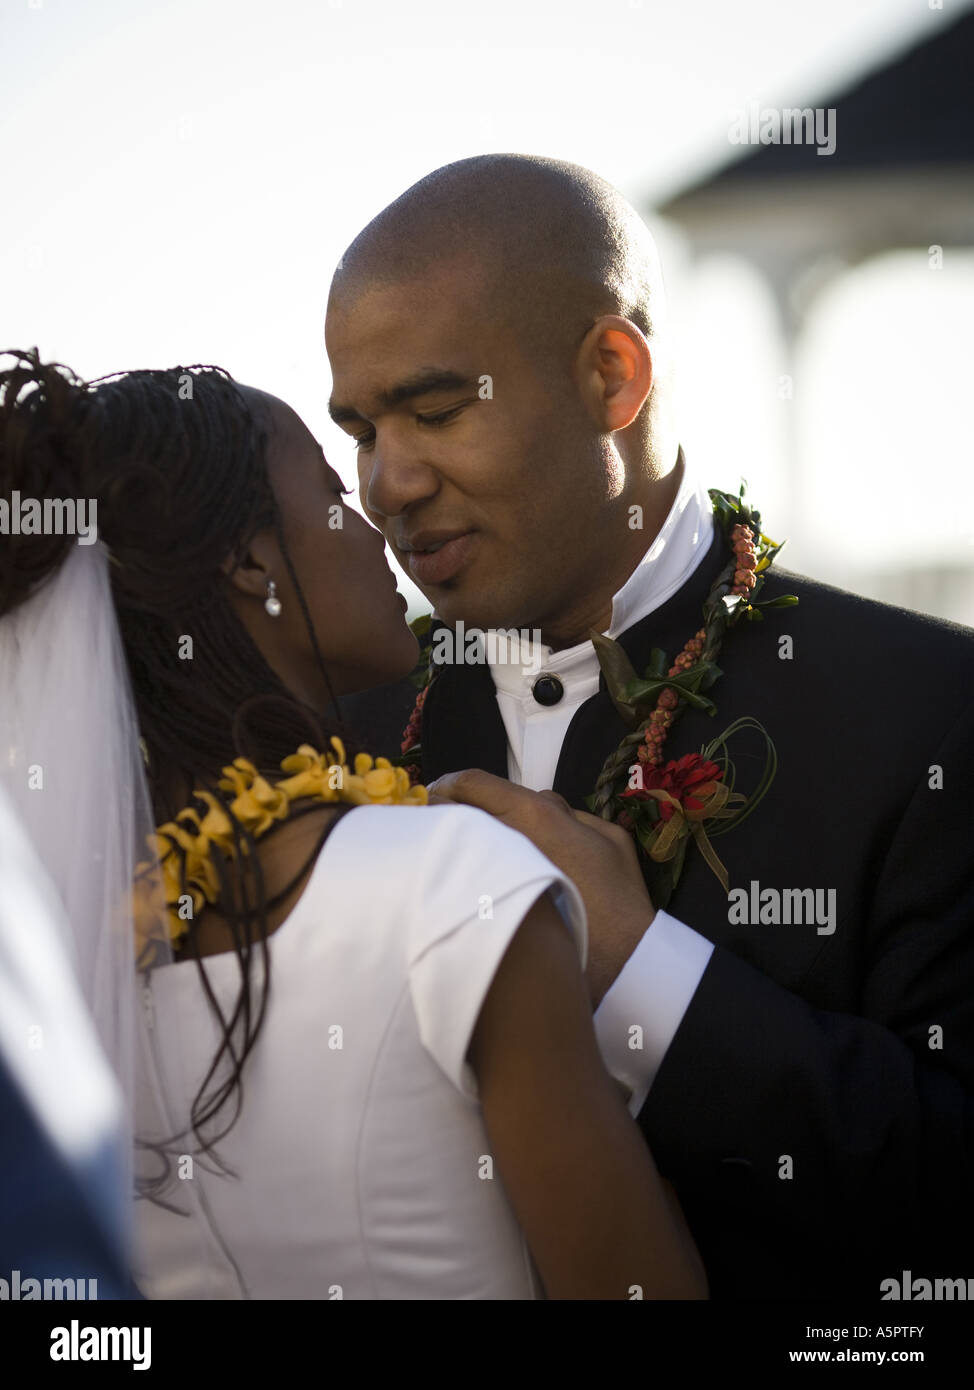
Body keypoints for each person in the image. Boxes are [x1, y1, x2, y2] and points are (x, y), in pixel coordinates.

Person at [325, 153, 974, 1300]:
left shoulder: (924, 708)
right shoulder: (335, 753)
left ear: (611, 376)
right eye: (361, 431)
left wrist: (643, 977)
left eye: (431, 410)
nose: (387, 482)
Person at [0, 348, 706, 1301]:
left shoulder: (62, 946)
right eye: (334, 490)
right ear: (253, 563)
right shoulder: (452, 883)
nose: (378, 521)